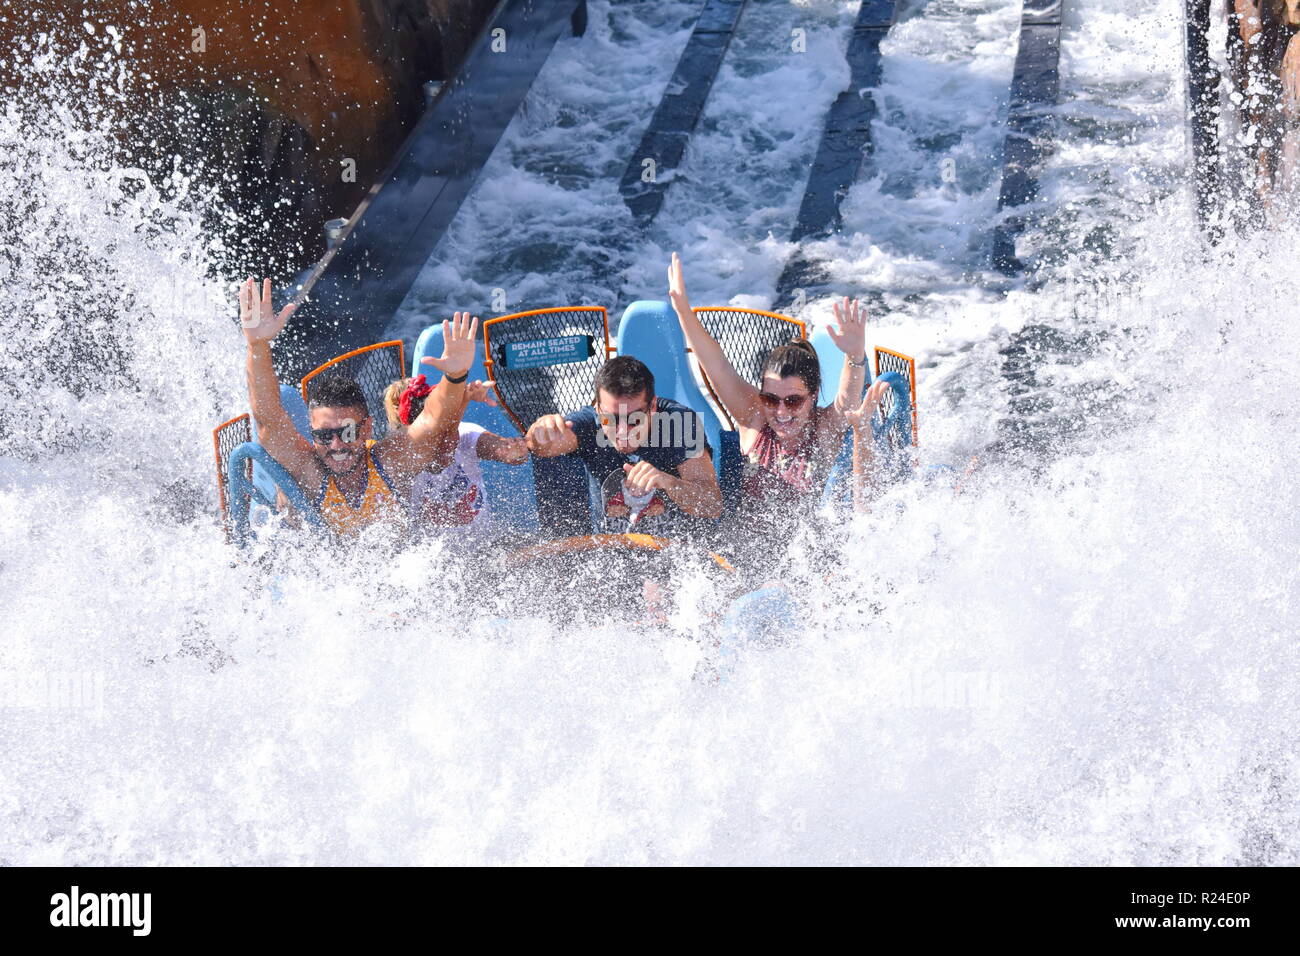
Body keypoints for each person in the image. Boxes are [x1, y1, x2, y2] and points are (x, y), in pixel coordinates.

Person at [665, 252, 889, 547]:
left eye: (793, 401)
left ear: (812, 397)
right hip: (748, 556)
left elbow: (847, 402)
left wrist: (855, 356)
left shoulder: (823, 429)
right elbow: (717, 366)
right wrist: (683, 312)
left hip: (807, 560)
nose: (781, 411)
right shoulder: (754, 419)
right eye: (771, 399)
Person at [240, 277, 479, 539]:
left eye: (347, 433)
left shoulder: (391, 462)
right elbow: (268, 419)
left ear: (367, 427)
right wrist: (258, 345)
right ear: (312, 433)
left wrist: (455, 376)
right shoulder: (306, 472)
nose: (336, 446)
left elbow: (433, 419)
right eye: (323, 435)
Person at [524, 355, 723, 533]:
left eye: (633, 420)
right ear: (598, 408)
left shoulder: (679, 423)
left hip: (680, 556)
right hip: (613, 556)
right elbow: (543, 447)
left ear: (652, 406)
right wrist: (539, 434)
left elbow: (712, 506)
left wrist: (669, 482)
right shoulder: (588, 425)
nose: (621, 432)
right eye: (609, 419)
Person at [382, 374, 528, 545]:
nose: (448, 443)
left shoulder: (464, 434)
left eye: (449, 429)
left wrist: (520, 449)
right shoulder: (397, 463)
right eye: (435, 438)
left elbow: (511, 454)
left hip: (486, 548)